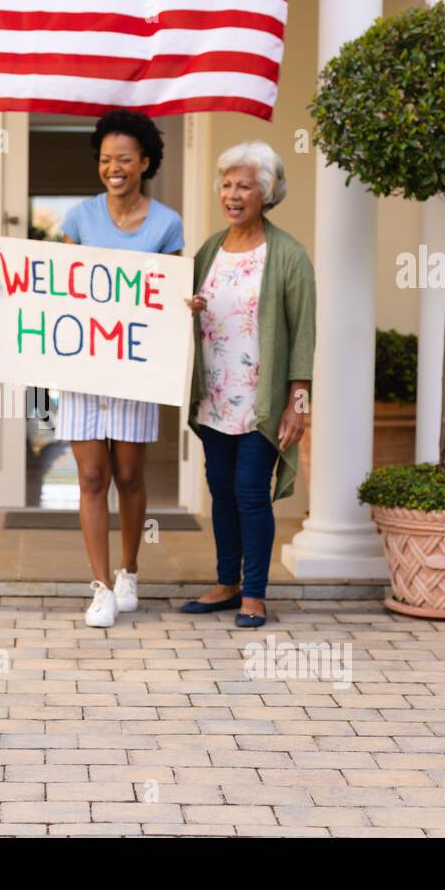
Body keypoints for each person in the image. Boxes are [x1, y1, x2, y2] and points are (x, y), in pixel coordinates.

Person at [0, 108, 183, 629]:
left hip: (135, 369)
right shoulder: (79, 218)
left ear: (145, 161)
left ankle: (130, 570)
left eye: (124, 158)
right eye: (104, 159)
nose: (113, 167)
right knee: (92, 477)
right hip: (85, 367)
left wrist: (189, 306)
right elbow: (59, 288)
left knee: (129, 474)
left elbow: (167, 295)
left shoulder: (167, 224)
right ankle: (100, 586)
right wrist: (10, 290)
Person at [182, 141, 315, 628]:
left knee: (249, 491)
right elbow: (184, 304)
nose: (232, 194)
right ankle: (226, 582)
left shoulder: (288, 256)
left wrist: (298, 405)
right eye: (227, 184)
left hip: (260, 400)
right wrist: (187, 309)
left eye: (245, 186)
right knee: (220, 488)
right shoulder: (209, 250)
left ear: (267, 193)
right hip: (214, 395)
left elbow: (303, 337)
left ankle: (254, 592)